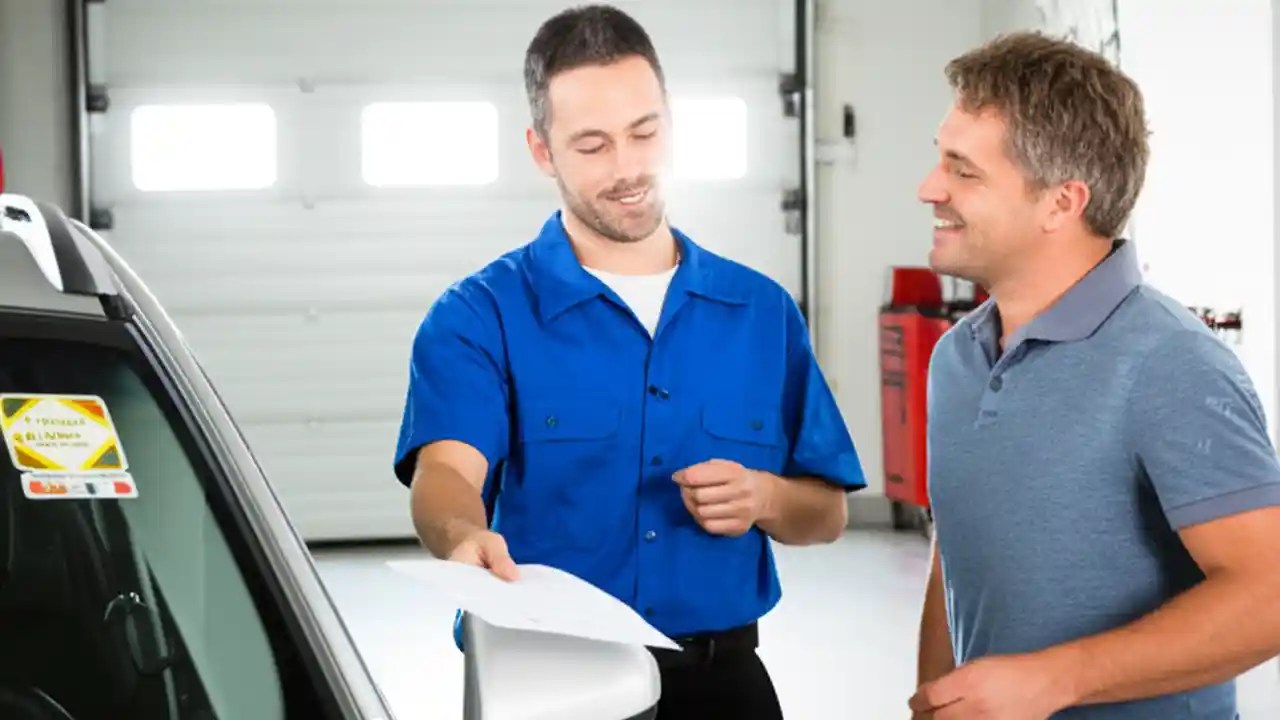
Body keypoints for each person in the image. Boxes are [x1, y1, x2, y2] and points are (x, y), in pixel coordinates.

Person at [392, 5, 865, 718]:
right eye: (592, 145)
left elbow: (825, 514)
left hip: (722, 686)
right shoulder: (478, 315)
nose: (628, 168)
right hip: (547, 681)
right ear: (542, 150)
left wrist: (764, 499)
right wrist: (464, 537)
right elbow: (448, 472)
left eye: (645, 133)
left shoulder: (761, 313)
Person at [909, 31, 1280, 720]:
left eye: (963, 170)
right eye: (940, 159)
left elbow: (1270, 596)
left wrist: (1054, 681)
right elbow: (955, 548)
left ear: (1061, 202)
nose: (929, 188)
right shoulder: (956, 355)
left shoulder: (1170, 362)